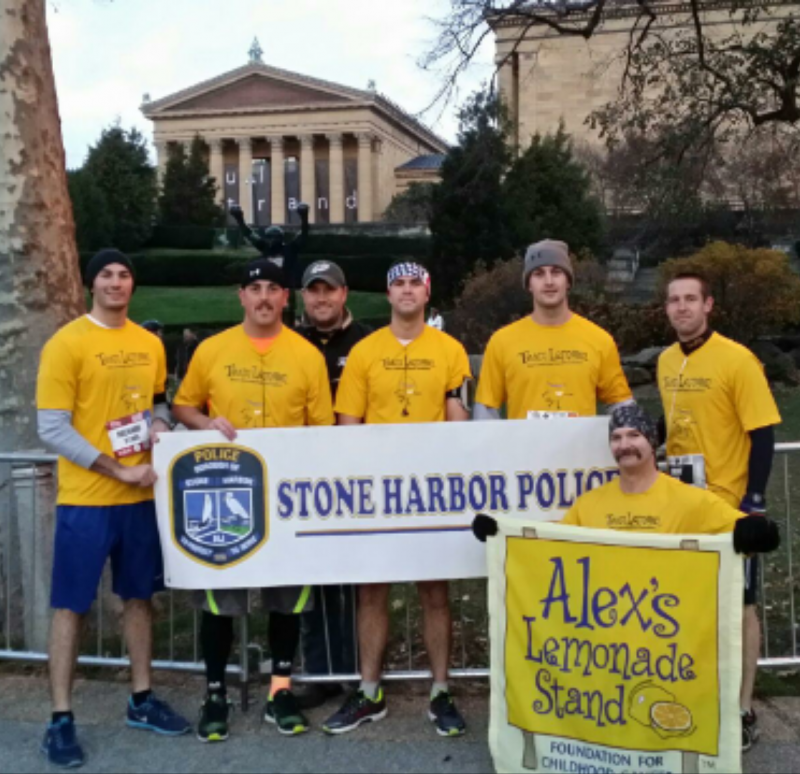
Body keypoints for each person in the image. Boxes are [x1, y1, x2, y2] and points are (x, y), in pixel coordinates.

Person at [36, 249, 190, 768]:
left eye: (124, 275)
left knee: (139, 600)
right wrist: (116, 468)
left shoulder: (149, 343)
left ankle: (141, 699)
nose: (117, 283)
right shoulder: (66, 343)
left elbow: (155, 401)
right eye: (106, 275)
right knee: (71, 607)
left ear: (133, 285)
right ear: (90, 284)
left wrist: (163, 424)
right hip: (87, 500)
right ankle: (60, 718)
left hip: (140, 498)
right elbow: (52, 427)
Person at [172, 258, 334, 743]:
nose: (264, 297)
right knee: (220, 600)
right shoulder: (212, 350)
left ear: (287, 298)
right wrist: (203, 424)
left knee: (286, 601)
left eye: (273, 289)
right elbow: (183, 404)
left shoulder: (307, 356)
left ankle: (278, 690)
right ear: (240, 296)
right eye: (254, 288)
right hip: (229, 494)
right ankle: (216, 693)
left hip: (285, 497)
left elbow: (322, 429)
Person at [323, 261, 472, 738]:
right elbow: (348, 424)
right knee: (373, 591)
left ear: (427, 294)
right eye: (399, 284)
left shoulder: (450, 350)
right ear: (388, 294)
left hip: (430, 488)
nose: (407, 291)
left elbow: (457, 419)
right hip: (379, 490)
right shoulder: (365, 352)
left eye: (415, 284)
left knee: (434, 592)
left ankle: (441, 690)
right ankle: (370, 692)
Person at [657, 272, 782, 752]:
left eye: (691, 299)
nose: (682, 307)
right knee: (688, 605)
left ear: (708, 305)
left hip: (728, 506)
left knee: (741, 606)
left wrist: (754, 501)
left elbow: (764, 432)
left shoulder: (737, 359)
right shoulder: (667, 361)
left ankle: (744, 707)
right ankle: (698, 698)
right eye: (674, 300)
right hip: (681, 504)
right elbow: (671, 424)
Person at [472, 404, 781, 574]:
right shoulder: (590, 504)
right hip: (609, 631)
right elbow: (552, 543)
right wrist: (502, 532)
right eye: (616, 438)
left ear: (652, 442)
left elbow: (740, 529)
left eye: (634, 435)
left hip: (667, 627)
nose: (624, 445)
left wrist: (757, 531)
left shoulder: (690, 500)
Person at [295, 260, 372, 709]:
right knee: (313, 576)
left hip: (357, 472)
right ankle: (319, 671)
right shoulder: (292, 342)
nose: (322, 299)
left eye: (330, 290)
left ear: (345, 294)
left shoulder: (367, 340)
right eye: (313, 291)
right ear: (304, 297)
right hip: (303, 474)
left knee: (355, 577)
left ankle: (355, 671)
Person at [475, 240, 633, 420]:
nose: (549, 281)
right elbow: (486, 411)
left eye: (556, 272)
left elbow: (621, 405)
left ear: (568, 281)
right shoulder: (501, 342)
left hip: (581, 448)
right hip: (524, 448)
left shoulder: (599, 340)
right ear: (529, 284)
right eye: (539, 274)